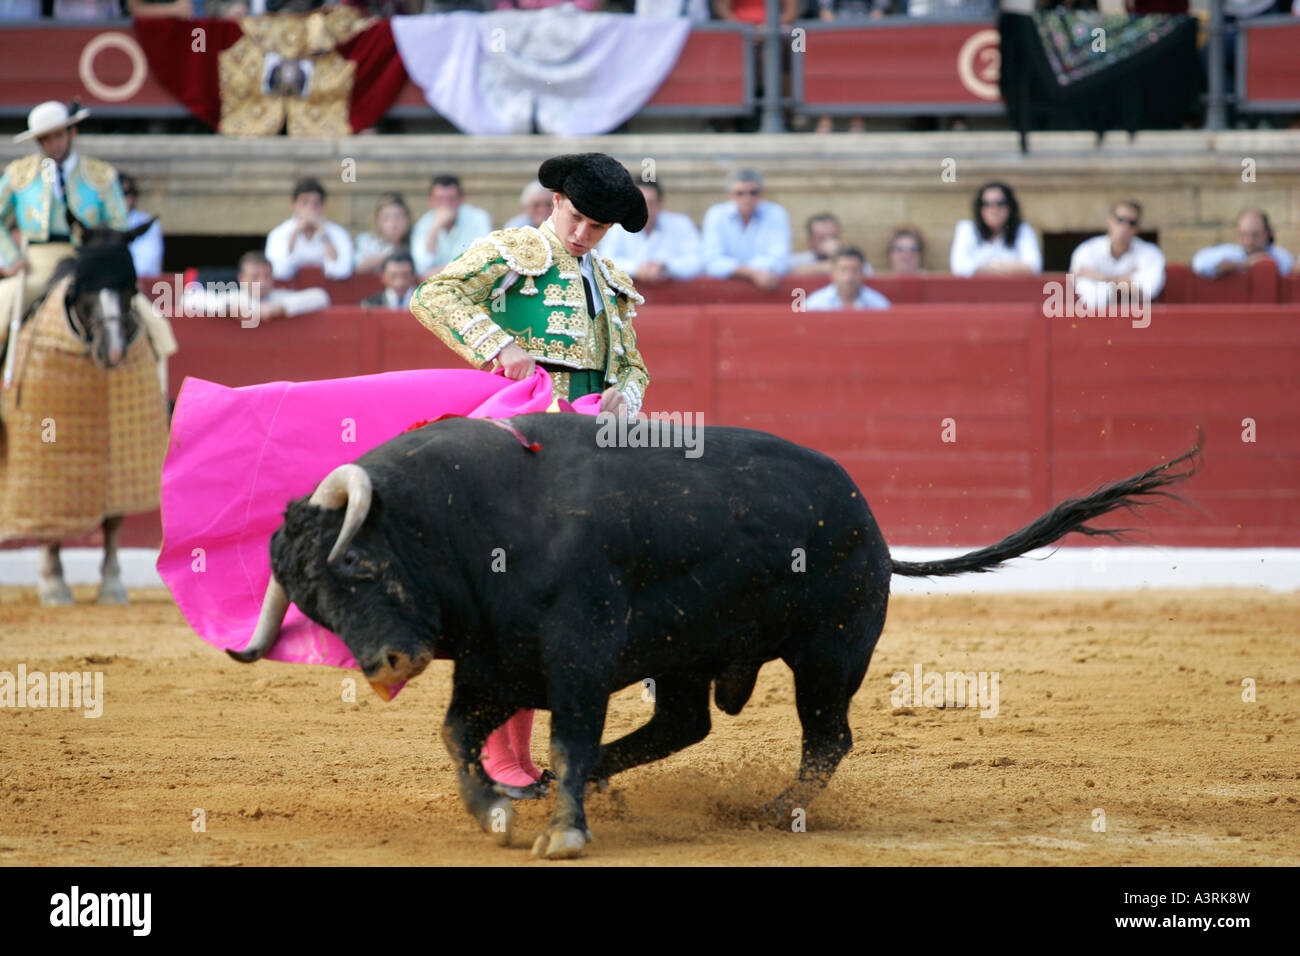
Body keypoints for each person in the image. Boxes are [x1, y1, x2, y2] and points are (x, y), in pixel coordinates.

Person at [411, 151, 649, 799]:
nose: (582, 234)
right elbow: (432, 294)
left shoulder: (613, 282)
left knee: (557, 601)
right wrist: (499, 345)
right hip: (516, 445)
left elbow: (633, 365)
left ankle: (519, 752)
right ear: (555, 203)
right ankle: (497, 752)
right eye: (576, 218)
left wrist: (625, 393)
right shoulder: (515, 250)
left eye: (597, 227)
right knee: (511, 596)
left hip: (583, 452)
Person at [0, 100, 128, 320]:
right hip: (36, 265)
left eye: (58, 135)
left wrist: (104, 259)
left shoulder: (101, 173)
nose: (54, 144)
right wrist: (12, 258)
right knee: (4, 302)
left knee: (147, 317)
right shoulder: (19, 173)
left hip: (89, 262)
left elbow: (119, 225)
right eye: (46, 139)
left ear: (72, 132)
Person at [700, 167, 791, 290]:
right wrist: (752, 273)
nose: (747, 199)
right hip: (727, 289)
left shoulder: (776, 213)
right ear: (730, 195)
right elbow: (711, 261)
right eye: (740, 193)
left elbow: (780, 259)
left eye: (753, 193)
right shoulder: (716, 214)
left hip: (763, 286)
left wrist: (737, 269)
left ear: (762, 193)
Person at [1068, 200, 1166, 310]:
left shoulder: (1151, 253)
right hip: (1094, 318)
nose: (1124, 227)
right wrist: (1127, 281)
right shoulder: (1087, 250)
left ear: (1137, 228)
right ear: (1110, 221)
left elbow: (1147, 291)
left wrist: (1102, 278)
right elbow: (1090, 294)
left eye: (1132, 223)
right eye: (1120, 220)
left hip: (1138, 316)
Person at [598, 179, 702, 283]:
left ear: (660, 204)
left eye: (650, 203)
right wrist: (636, 269)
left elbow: (696, 262)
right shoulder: (617, 226)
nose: (645, 208)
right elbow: (605, 261)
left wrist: (665, 267)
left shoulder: (681, 224)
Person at [185, 250, 330, 322]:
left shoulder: (279, 298)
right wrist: (231, 309)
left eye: (266, 276)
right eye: (254, 277)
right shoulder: (232, 298)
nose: (261, 283)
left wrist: (279, 308)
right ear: (241, 279)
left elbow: (320, 296)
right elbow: (189, 299)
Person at [264, 177, 354, 280]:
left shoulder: (339, 233)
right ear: (293, 204)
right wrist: (295, 233)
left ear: (323, 206)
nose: (310, 208)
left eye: (316, 203)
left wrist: (323, 234)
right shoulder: (278, 233)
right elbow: (279, 271)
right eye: (305, 202)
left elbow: (342, 270)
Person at [949, 181, 1041, 277]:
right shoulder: (967, 229)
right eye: (986, 204)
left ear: (1010, 207)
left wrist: (989, 266)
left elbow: (1034, 266)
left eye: (1000, 203)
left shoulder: (1023, 230)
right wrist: (1009, 268)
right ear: (979, 208)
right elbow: (959, 267)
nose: (994, 210)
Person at [410, 173, 492, 277]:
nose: (446, 205)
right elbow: (422, 267)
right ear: (431, 200)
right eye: (440, 199)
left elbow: (480, 259)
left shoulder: (478, 218)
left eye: (451, 199)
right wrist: (435, 228)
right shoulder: (423, 224)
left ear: (462, 199)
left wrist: (443, 270)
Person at [1191, 208, 1294, 278]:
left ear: (1267, 234)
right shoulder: (1231, 253)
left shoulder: (1280, 256)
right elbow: (1200, 264)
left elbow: (1291, 269)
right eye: (1244, 235)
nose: (1249, 241)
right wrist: (1244, 264)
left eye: (1255, 235)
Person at [803, 247, 891, 310]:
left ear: (863, 274)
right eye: (843, 270)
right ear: (833, 273)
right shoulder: (814, 304)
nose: (849, 277)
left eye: (854, 270)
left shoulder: (879, 304)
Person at [789, 212, 873, 276]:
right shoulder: (802, 259)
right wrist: (828, 267)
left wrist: (837, 255)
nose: (829, 243)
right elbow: (786, 270)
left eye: (833, 237)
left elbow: (868, 271)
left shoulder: (852, 260)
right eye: (822, 238)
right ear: (810, 242)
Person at [119, 173, 164, 278]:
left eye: (129, 193)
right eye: (119, 194)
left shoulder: (147, 222)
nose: (125, 199)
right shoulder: (99, 224)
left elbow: (149, 266)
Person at [354, 193, 412, 274]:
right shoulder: (366, 241)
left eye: (398, 217)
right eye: (386, 218)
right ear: (378, 220)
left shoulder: (416, 241)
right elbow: (357, 267)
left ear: (407, 219)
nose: (393, 224)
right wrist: (390, 254)